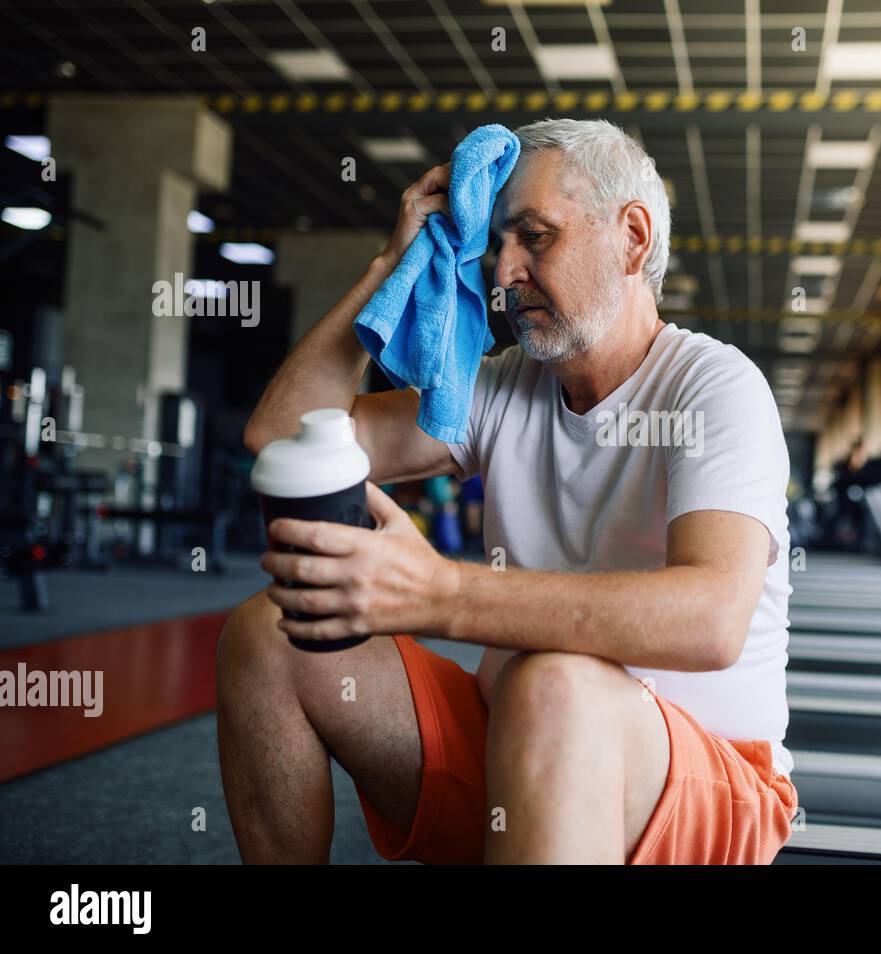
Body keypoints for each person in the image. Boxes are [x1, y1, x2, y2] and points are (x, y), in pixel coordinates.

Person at [218, 118, 796, 865]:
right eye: (499, 244)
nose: (502, 272)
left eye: (536, 237)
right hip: (517, 754)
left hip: (705, 793)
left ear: (632, 237)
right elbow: (281, 438)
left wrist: (441, 594)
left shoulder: (715, 387)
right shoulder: (499, 388)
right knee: (271, 630)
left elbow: (712, 621)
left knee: (553, 684)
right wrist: (390, 263)